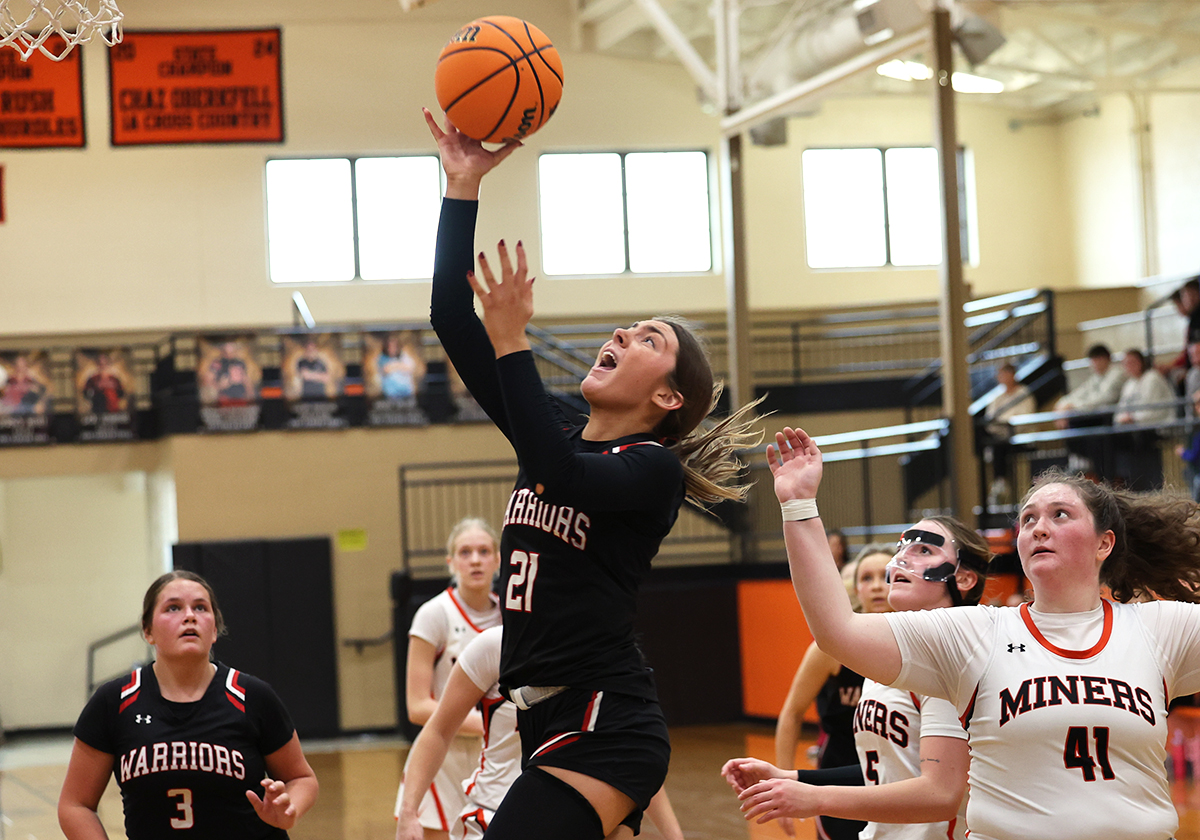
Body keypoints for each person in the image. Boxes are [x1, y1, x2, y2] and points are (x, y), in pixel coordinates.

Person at [423, 106, 762, 839]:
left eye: (647, 340)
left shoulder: (651, 470)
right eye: (628, 327)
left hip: (605, 720)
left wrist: (512, 341)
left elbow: (559, 477)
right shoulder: (556, 431)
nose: (621, 333)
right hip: (542, 717)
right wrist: (462, 185)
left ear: (667, 398)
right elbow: (450, 312)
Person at [764, 423, 1200, 840]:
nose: (1039, 527)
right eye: (1028, 519)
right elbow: (838, 631)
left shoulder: (1160, 628)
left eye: (1060, 515)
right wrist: (799, 506)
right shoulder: (976, 632)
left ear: (1104, 543)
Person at [725, 517, 988, 839]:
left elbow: (941, 795)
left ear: (963, 577)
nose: (902, 559)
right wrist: (792, 777)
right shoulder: (885, 659)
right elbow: (885, 772)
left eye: (923, 550)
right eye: (902, 548)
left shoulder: (951, 655)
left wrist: (814, 797)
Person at [58, 571, 318, 839]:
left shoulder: (253, 696)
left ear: (214, 630)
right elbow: (75, 804)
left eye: (201, 608)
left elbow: (301, 778)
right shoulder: (114, 701)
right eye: (173, 608)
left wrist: (289, 810)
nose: (190, 616)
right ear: (148, 631)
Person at [395, 627, 684, 840]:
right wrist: (408, 813)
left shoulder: (605, 659)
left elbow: (623, 763)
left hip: (572, 814)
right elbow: (438, 729)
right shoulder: (495, 646)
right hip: (493, 811)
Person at [772, 544, 894, 840]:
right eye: (867, 578)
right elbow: (792, 713)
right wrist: (782, 783)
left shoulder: (922, 641)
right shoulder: (830, 647)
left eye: (887, 576)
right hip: (839, 777)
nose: (877, 586)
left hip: (900, 780)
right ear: (857, 589)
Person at [395, 517, 502, 840]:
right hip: (443, 759)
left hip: (495, 759)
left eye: (484, 551)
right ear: (451, 562)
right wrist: (487, 723)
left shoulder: (510, 616)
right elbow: (417, 706)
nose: (475, 560)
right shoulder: (434, 614)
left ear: (498, 559)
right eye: (465, 552)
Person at [980, 363, 1036, 503]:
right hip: (1002, 438)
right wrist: (1004, 426)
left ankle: (1002, 482)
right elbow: (991, 422)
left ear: (1013, 375)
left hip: (1022, 439)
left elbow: (1024, 419)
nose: (1004, 377)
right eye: (1001, 374)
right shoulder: (996, 397)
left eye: (1007, 374)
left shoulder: (1024, 393)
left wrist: (1005, 424)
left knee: (1000, 446)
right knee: (996, 444)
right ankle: (1000, 482)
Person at [1054, 344, 1127, 430]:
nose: (1093, 364)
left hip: (1108, 416)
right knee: (1068, 417)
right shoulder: (1096, 377)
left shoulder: (1117, 374)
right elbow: (1079, 393)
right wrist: (1062, 405)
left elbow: (1103, 399)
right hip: (1095, 414)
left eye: (1096, 360)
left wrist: (1072, 406)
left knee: (1074, 420)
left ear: (1105, 359)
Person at [1114, 349, 1175, 426]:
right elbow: (1120, 410)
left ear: (1141, 362)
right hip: (1134, 425)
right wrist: (1122, 418)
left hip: (1157, 425)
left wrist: (1133, 418)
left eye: (1132, 362)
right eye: (1126, 364)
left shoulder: (1153, 378)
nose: (1129, 366)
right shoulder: (1129, 384)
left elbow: (1153, 410)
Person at [378, 331, 427, 400]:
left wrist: (394, 366)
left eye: (394, 346)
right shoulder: (382, 358)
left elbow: (410, 368)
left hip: (406, 393)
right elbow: (386, 370)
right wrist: (399, 366)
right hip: (390, 395)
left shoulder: (404, 356)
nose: (392, 349)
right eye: (389, 347)